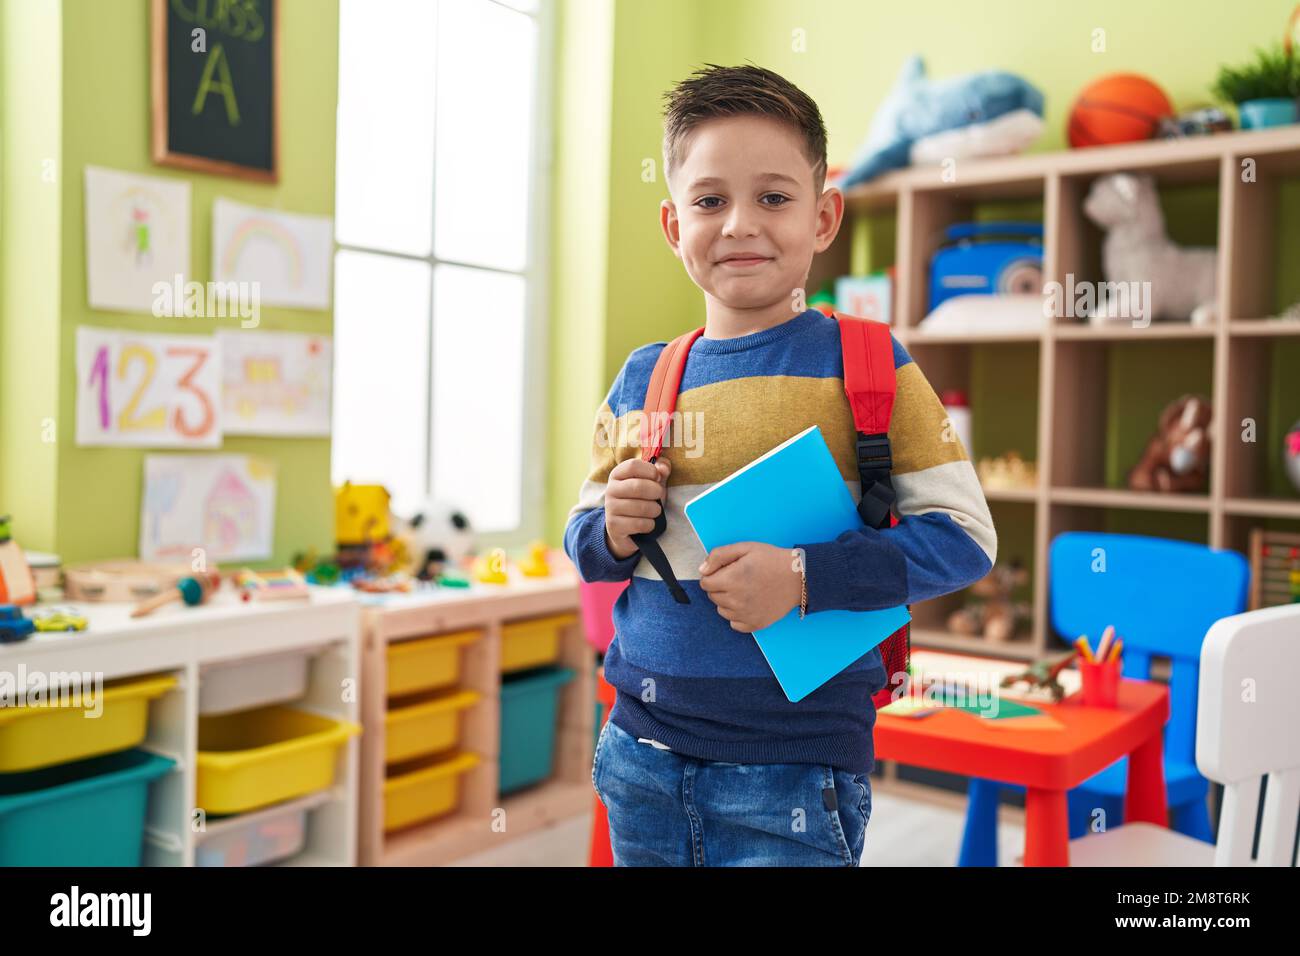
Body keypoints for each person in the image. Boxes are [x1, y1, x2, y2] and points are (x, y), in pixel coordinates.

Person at [564, 63, 997, 866]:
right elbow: (585, 544)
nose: (738, 225)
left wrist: (803, 577)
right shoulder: (643, 376)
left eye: (773, 197)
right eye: (709, 200)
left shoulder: (870, 365)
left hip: (797, 773)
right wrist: (613, 527)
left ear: (824, 216)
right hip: (641, 755)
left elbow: (965, 540)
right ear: (672, 225)